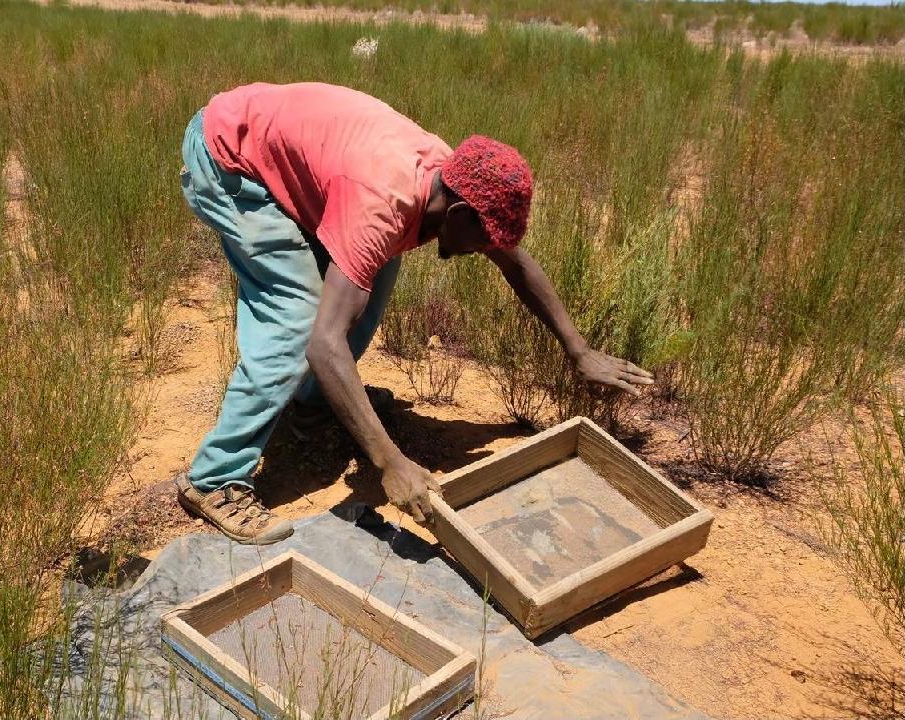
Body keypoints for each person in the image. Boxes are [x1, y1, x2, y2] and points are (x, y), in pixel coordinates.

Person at [174, 82, 653, 545]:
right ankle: (215, 478)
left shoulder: (450, 181)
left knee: (365, 287)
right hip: (230, 161)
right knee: (299, 319)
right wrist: (389, 463)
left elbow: (517, 263)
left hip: (289, 153)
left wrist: (579, 350)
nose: (486, 251)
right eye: (484, 238)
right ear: (460, 213)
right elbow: (324, 343)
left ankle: (314, 406)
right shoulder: (381, 206)